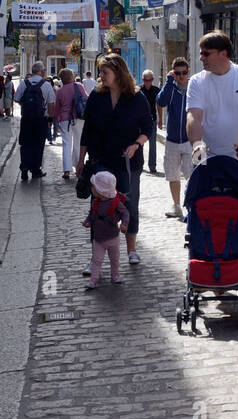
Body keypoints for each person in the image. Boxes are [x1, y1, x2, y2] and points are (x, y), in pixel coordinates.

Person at [76, 53, 153, 265]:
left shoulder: (136, 98)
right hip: (100, 161)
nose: (101, 75)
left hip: (127, 163)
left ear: (118, 73)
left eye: (104, 72)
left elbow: (148, 127)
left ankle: (131, 249)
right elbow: (87, 130)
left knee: (129, 205)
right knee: (99, 208)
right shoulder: (96, 97)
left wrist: (136, 144)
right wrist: (81, 160)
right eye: (100, 71)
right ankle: (96, 258)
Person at [186, 31, 238, 189]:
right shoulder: (196, 81)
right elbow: (193, 116)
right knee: (201, 207)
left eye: (206, 53)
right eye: (201, 53)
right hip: (208, 158)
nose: (201, 58)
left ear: (223, 53)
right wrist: (196, 144)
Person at [156, 57, 192, 220]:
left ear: (188, 72)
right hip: (172, 140)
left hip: (192, 140)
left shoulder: (194, 88)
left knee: (193, 174)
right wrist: (169, 81)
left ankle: (193, 204)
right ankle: (176, 206)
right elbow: (161, 101)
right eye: (178, 73)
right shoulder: (171, 88)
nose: (181, 76)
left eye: (184, 73)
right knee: (173, 175)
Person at [81, 170, 129, 289]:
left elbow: (125, 213)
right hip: (98, 239)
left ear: (101, 191)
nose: (91, 188)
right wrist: (88, 221)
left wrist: (124, 224)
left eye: (94, 186)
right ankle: (93, 280)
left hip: (113, 237)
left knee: (115, 260)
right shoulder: (95, 203)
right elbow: (92, 214)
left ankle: (115, 275)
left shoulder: (115, 203)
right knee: (97, 261)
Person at [14, 61, 56, 179]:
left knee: (26, 143)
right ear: (42, 72)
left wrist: (26, 104)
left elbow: (16, 98)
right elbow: (51, 104)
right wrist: (50, 119)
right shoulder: (46, 85)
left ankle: (24, 167)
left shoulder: (24, 83)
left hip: (26, 119)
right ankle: (36, 169)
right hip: (40, 120)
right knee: (38, 144)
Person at [54, 68, 87, 180]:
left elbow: (57, 109)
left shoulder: (60, 91)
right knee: (78, 143)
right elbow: (86, 99)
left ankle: (67, 170)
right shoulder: (79, 86)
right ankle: (79, 168)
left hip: (64, 119)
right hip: (78, 118)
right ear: (71, 77)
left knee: (66, 144)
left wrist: (56, 121)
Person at [140, 70, 160, 173]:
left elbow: (159, 105)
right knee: (140, 144)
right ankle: (140, 164)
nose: (148, 82)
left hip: (152, 120)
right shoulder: (138, 90)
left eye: (150, 80)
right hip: (140, 122)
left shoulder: (156, 90)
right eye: (145, 80)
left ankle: (152, 166)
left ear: (152, 80)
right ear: (143, 80)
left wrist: (160, 119)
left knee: (153, 144)